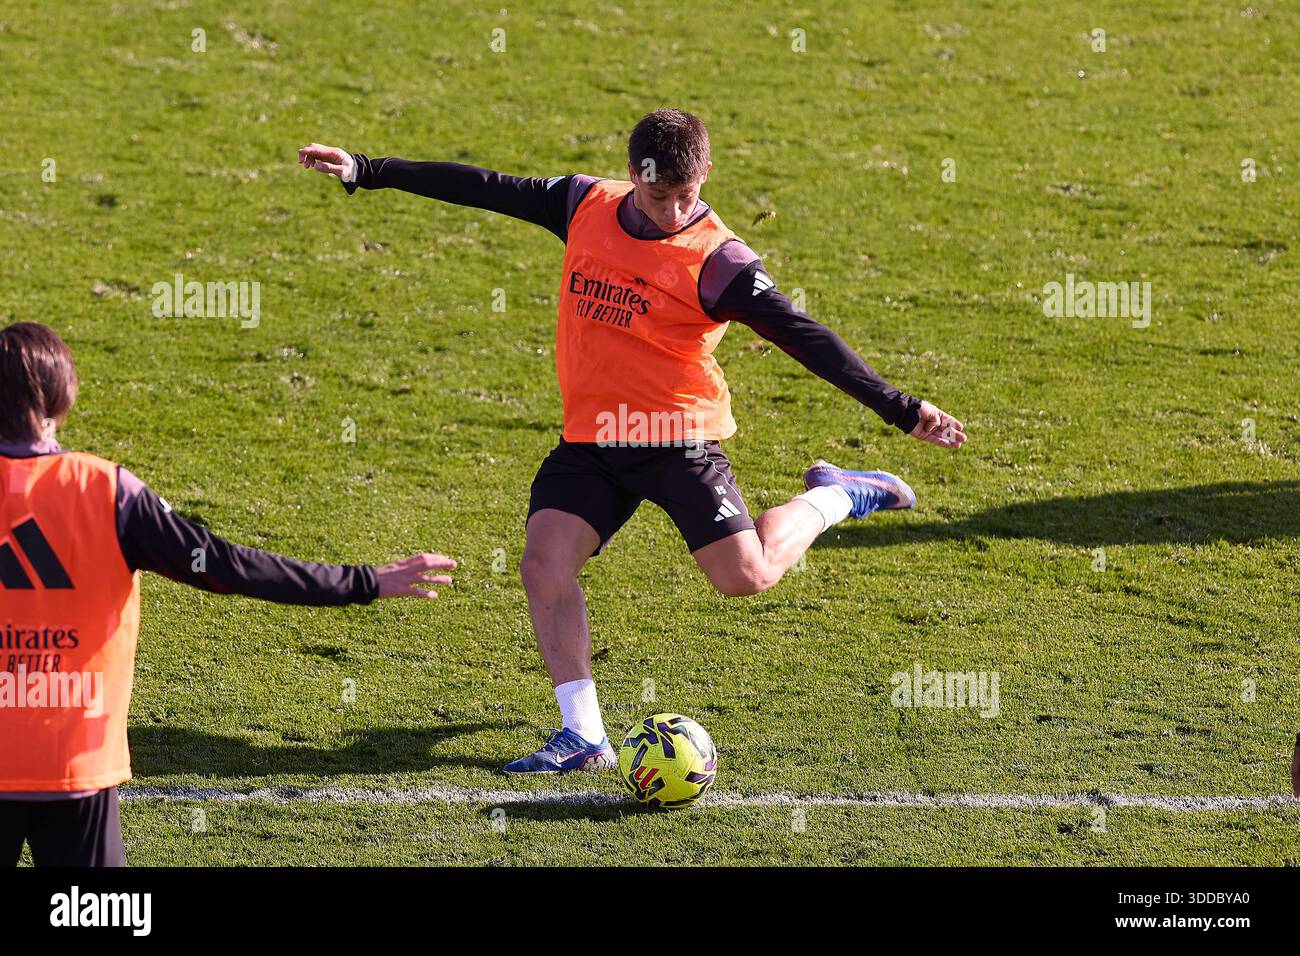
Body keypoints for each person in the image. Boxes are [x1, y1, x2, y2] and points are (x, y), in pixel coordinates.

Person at [298, 107, 966, 774]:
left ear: (703, 177)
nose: (676, 211)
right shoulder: (584, 204)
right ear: (631, 177)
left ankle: (838, 497)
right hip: (592, 439)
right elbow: (485, 186)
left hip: (677, 439)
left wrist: (904, 410)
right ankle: (584, 735)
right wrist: (367, 171)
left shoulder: (720, 261)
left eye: (689, 196)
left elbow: (804, 336)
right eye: (659, 196)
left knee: (747, 577)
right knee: (543, 565)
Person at [0, 322, 455, 865]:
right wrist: (366, 581)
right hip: (75, 766)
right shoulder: (105, 491)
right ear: (62, 394)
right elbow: (231, 567)